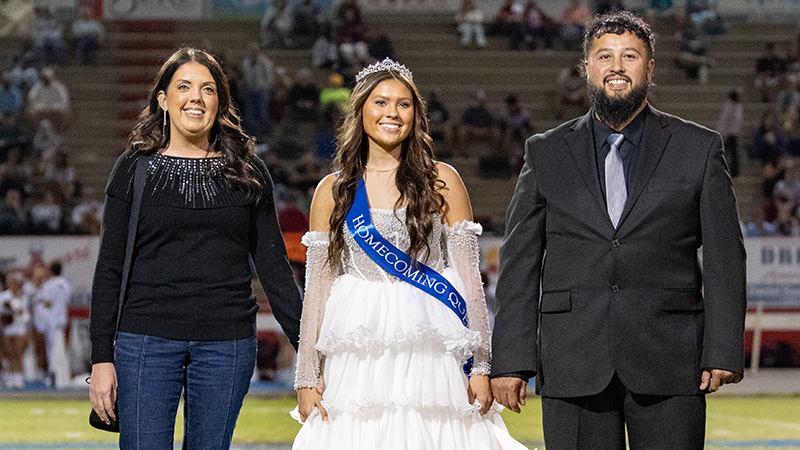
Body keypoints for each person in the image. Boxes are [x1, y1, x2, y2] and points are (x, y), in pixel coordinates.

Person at [491, 12, 746, 450]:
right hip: (573, 360)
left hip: (670, 361)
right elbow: (519, 265)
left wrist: (722, 348)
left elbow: (725, 257)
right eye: (604, 55)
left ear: (649, 68)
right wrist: (511, 360)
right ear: (585, 68)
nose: (616, 66)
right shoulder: (545, 152)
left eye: (630, 56)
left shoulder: (699, 149)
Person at [291, 58, 527, 450]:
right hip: (359, 349)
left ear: (416, 115)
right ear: (361, 109)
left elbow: (471, 282)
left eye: (404, 104)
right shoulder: (333, 191)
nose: (392, 113)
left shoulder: (443, 180)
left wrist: (482, 365)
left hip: (432, 348)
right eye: (381, 102)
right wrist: (306, 376)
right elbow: (317, 292)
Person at [88, 47, 303, 449]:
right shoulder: (133, 168)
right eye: (183, 86)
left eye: (208, 89)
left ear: (220, 101)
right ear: (162, 99)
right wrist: (101, 359)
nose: (196, 97)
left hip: (227, 345)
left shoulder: (249, 170)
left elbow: (275, 270)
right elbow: (109, 269)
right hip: (144, 342)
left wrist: (308, 352)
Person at [0, 271, 31, 389]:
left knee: (18, 354)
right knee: (8, 354)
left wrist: (13, 306)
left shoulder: (23, 296)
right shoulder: (3, 296)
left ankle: (18, 378)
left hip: (19, 329)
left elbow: (25, 314)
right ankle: (11, 377)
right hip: (7, 329)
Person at [716, 89, 743, 177]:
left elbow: (735, 121)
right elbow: (725, 120)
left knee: (732, 154)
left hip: (732, 134)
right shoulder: (729, 106)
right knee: (725, 153)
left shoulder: (738, 106)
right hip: (727, 133)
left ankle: (733, 171)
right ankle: (723, 170)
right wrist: (722, 132)